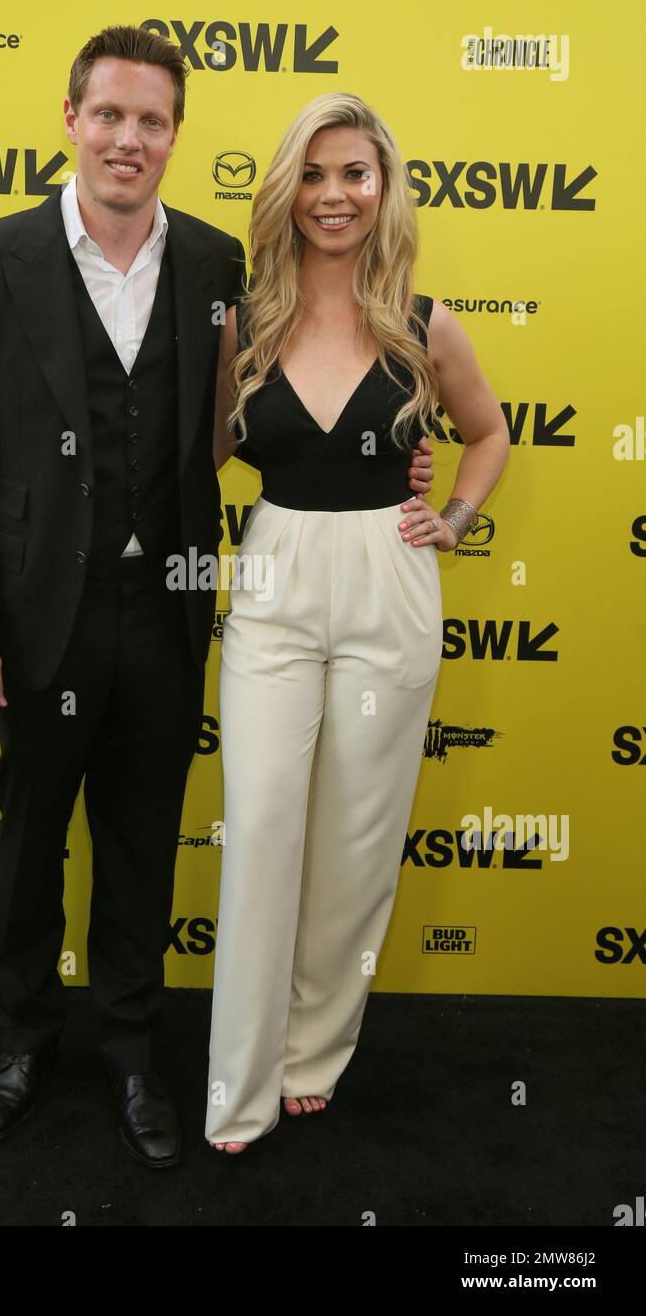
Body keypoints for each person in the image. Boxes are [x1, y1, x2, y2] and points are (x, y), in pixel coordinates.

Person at [0, 25, 434, 1170]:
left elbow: (286, 411)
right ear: (70, 118)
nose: (127, 138)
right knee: (27, 838)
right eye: (108, 114)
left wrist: (389, 461)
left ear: (172, 136)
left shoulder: (216, 269)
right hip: (29, 614)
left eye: (151, 121)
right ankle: (19, 1038)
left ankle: (131, 1049)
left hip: (169, 609)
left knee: (142, 839)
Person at [207, 92, 510, 1154]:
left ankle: (312, 1051)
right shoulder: (240, 323)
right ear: (287, 190)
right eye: (316, 174)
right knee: (260, 833)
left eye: (355, 175)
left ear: (383, 192)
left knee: (353, 841)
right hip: (276, 578)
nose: (334, 196)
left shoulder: (423, 325)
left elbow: (487, 431)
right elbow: (196, 458)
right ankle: (235, 1083)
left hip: (391, 579)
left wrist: (455, 516)